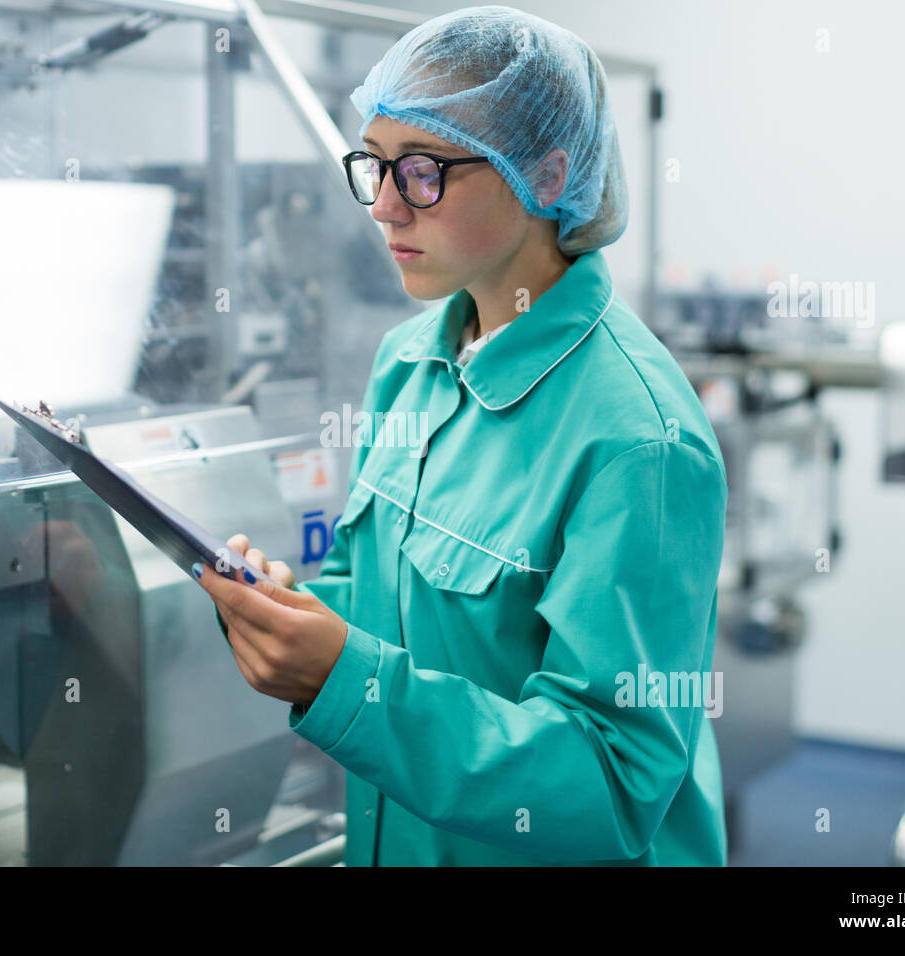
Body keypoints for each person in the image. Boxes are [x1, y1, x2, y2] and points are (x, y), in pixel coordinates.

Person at [195, 4, 729, 866]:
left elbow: (615, 782)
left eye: (424, 172)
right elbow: (386, 605)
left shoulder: (641, 443)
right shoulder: (410, 361)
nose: (386, 210)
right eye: (374, 169)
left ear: (548, 176)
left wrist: (346, 682)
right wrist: (292, 616)